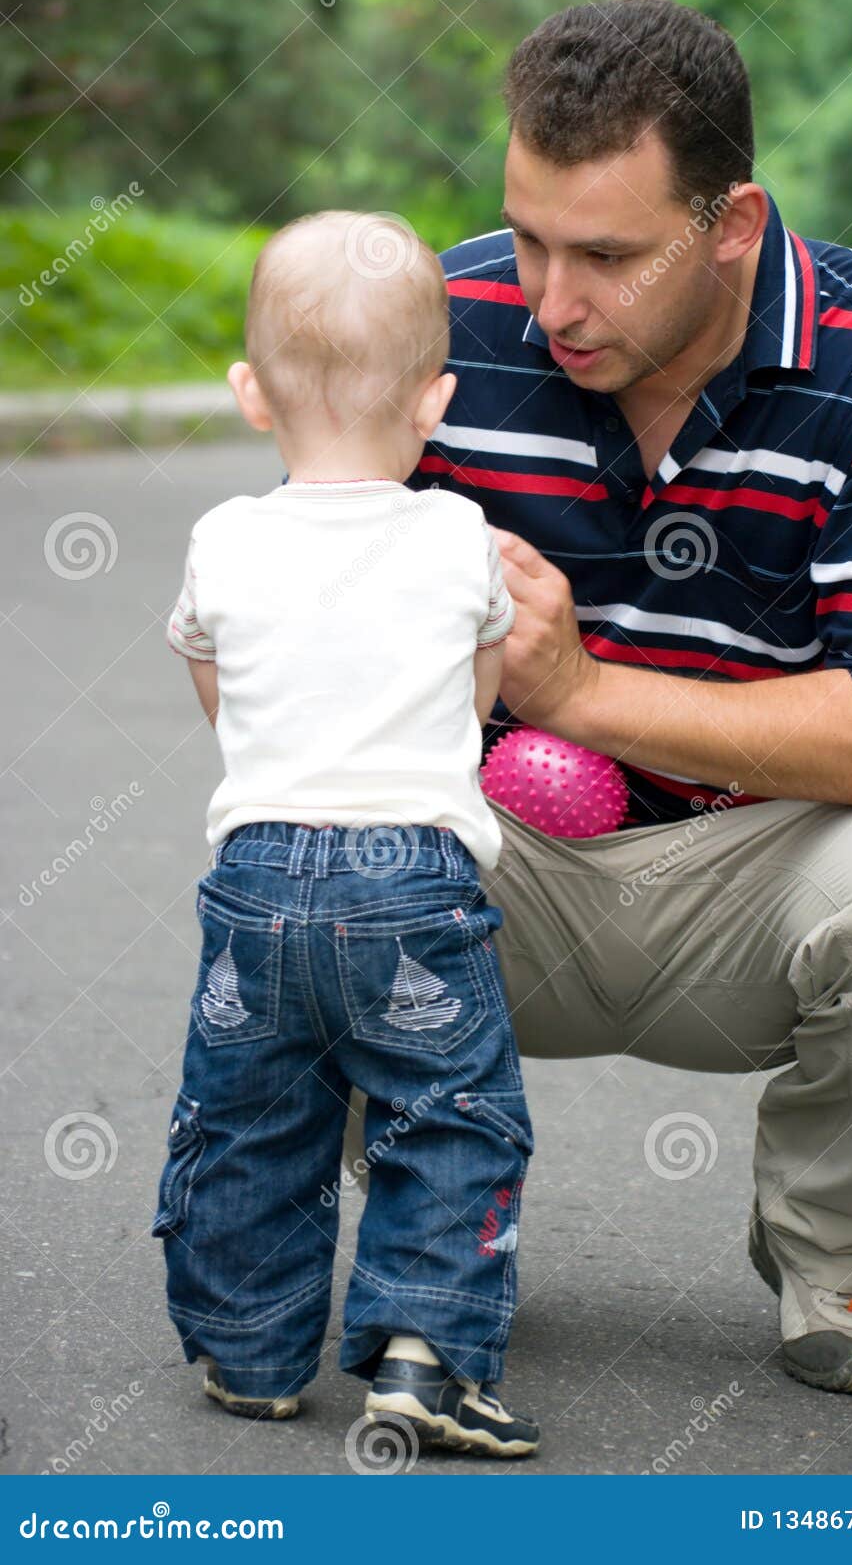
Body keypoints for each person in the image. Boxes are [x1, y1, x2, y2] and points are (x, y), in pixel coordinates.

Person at [395, 0, 852, 1397]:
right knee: (301, 856)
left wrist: (577, 690)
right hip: (495, 880)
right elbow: (294, 624)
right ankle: (401, 1234)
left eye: (607, 256)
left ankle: (832, 1248)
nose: (549, 302)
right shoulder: (442, 323)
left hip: (759, 880)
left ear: (731, 226)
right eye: (526, 239)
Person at [153, 210, 539, 1457]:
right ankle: (423, 1352)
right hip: (413, 877)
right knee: (448, 1111)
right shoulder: (459, 534)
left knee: (251, 1112)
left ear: (249, 394)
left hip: (257, 869)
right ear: (437, 400)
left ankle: (251, 1352)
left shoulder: (223, 536)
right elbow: (476, 703)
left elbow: (224, 696)